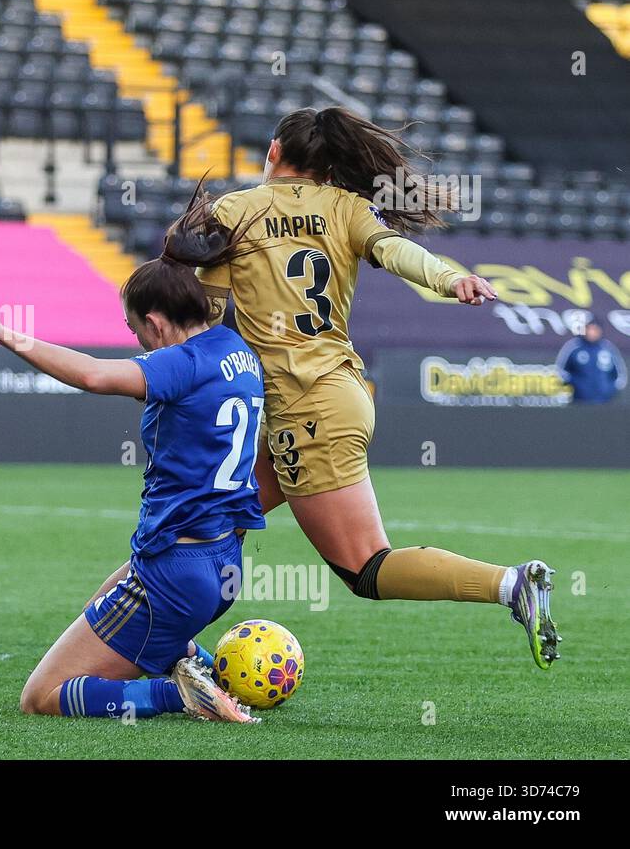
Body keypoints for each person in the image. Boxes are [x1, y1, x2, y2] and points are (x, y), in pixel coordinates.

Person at [181, 106, 560, 668]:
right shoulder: (346, 207)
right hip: (342, 393)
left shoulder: (234, 212)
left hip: (304, 410)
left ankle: (510, 584)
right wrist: (450, 277)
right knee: (211, 520)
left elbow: (204, 323)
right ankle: (167, 642)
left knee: (365, 567)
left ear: (273, 152)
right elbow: (394, 250)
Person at [0, 269, 265, 724]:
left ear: (155, 322)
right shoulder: (238, 350)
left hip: (175, 570)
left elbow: (93, 375)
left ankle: (178, 695)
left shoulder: (182, 363)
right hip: (222, 561)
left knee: (41, 695)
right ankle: (214, 670)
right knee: (95, 607)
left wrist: (3, 333)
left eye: (133, 328)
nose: (136, 340)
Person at [557, 318, 626, 404]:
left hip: (604, 402)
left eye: (595, 329)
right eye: (589, 329)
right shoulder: (574, 346)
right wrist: (576, 385)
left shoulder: (607, 348)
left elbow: (620, 375)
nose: (592, 332)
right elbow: (560, 371)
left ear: (600, 331)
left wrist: (609, 389)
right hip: (579, 401)